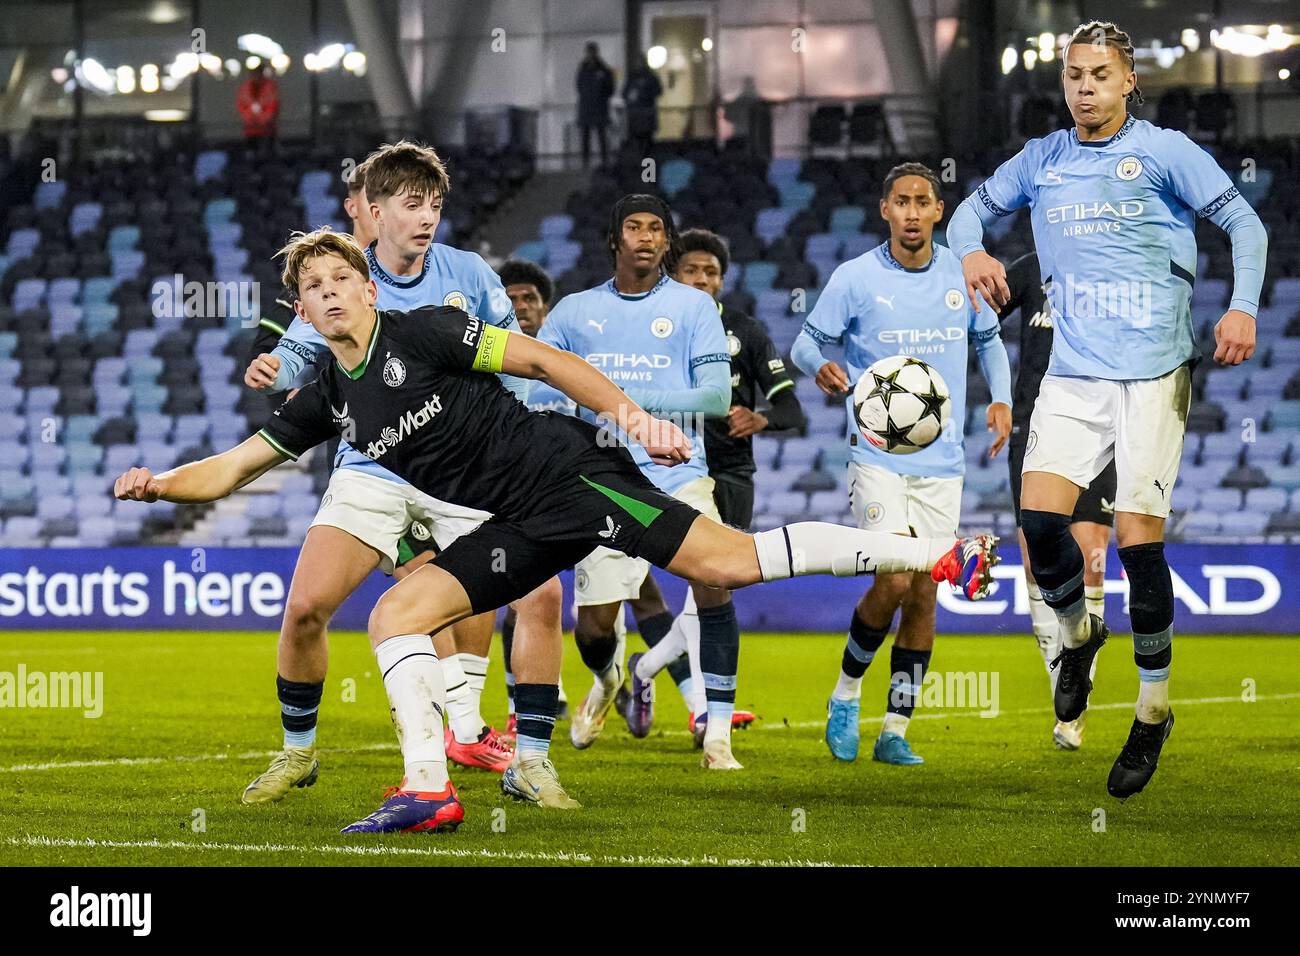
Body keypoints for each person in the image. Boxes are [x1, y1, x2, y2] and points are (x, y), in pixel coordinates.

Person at [114, 226, 1000, 832]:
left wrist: (630, 415)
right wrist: (160, 485)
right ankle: (429, 791)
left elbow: (540, 357)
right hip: (518, 524)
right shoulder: (328, 402)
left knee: (725, 565)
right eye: (314, 288)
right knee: (394, 617)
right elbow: (229, 469)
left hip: (571, 477)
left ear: (366, 286)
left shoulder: (423, 330)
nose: (331, 292)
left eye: (342, 277)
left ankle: (939, 554)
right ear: (303, 313)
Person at [947, 20, 1266, 797]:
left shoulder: (1164, 152)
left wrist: (1243, 307)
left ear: (1129, 82)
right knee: (1039, 521)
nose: (1083, 88)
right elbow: (965, 215)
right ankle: (1082, 633)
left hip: (1154, 371)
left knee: (1132, 538)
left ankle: (1152, 712)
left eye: (1099, 75)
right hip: (1074, 373)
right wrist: (973, 252)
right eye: (1073, 75)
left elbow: (1243, 222)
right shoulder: (1042, 159)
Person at [241, 143, 567, 807]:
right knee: (307, 611)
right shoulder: (349, 278)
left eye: (436, 207)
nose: (427, 219)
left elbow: (515, 353)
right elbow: (305, 347)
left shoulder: (469, 273)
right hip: (377, 463)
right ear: (374, 213)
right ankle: (300, 751)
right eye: (413, 206)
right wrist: (274, 363)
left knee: (540, 594)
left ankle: (523, 757)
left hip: (468, 462)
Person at [792, 162, 1013, 766]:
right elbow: (806, 341)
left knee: (923, 594)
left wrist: (1001, 398)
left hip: (943, 463)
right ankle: (845, 696)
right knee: (891, 577)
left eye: (924, 202)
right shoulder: (855, 278)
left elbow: (990, 343)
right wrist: (820, 365)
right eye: (902, 202)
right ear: (884, 210)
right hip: (876, 454)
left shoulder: (959, 275)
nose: (913, 212)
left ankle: (895, 730)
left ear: (939, 212)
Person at [539, 195, 748, 768]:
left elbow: (715, 397)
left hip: (678, 472)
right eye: (634, 226)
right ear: (614, 239)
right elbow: (535, 388)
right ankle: (610, 680)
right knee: (593, 631)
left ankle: (719, 734)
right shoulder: (576, 312)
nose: (647, 237)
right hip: (602, 479)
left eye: (657, 229)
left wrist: (624, 402)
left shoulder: (694, 307)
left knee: (717, 581)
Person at [627, 227, 805, 744]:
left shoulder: (746, 333)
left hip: (729, 476)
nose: (702, 280)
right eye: (691, 271)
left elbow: (791, 408)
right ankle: (665, 683)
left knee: (711, 590)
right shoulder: (655, 329)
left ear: (723, 282)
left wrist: (763, 418)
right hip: (663, 467)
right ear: (672, 275)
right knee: (687, 592)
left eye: (711, 273)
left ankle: (675, 688)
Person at [997, 250, 1116, 750]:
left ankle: (1075, 702)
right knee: (1036, 560)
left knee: (1091, 561)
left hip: (1102, 418)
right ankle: (1062, 695)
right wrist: (999, 396)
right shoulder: (1029, 268)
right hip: (1033, 422)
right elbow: (978, 321)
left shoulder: (1118, 262)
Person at [495, 258, 570, 728]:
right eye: (512, 300)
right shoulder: (489, 359)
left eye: (530, 300)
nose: (521, 307)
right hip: (513, 495)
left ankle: (612, 676)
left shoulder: (567, 359)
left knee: (616, 602)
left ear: (546, 309)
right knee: (521, 594)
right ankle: (516, 708)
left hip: (572, 491)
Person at [576, 42, 615, 168]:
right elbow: (579, 86)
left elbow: (610, 88)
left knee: (601, 135)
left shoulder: (603, 69)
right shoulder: (583, 69)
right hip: (586, 107)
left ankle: (605, 160)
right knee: (585, 136)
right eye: (589, 52)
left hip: (599, 107)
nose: (590, 55)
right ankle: (585, 161)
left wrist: (601, 96)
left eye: (592, 52)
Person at [622, 55, 663, 158]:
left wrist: (644, 94)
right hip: (636, 114)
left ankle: (647, 164)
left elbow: (658, 91)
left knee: (647, 141)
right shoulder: (633, 77)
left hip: (645, 113)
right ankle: (640, 163)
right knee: (638, 141)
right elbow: (624, 93)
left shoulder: (650, 77)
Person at [236, 65, 279, 144]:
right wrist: (250, 117)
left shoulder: (270, 87)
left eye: (258, 73)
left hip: (267, 128)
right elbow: (241, 105)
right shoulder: (245, 87)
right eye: (254, 73)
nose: (256, 76)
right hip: (250, 128)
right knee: (252, 148)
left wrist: (264, 118)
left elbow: (273, 105)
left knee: (268, 149)